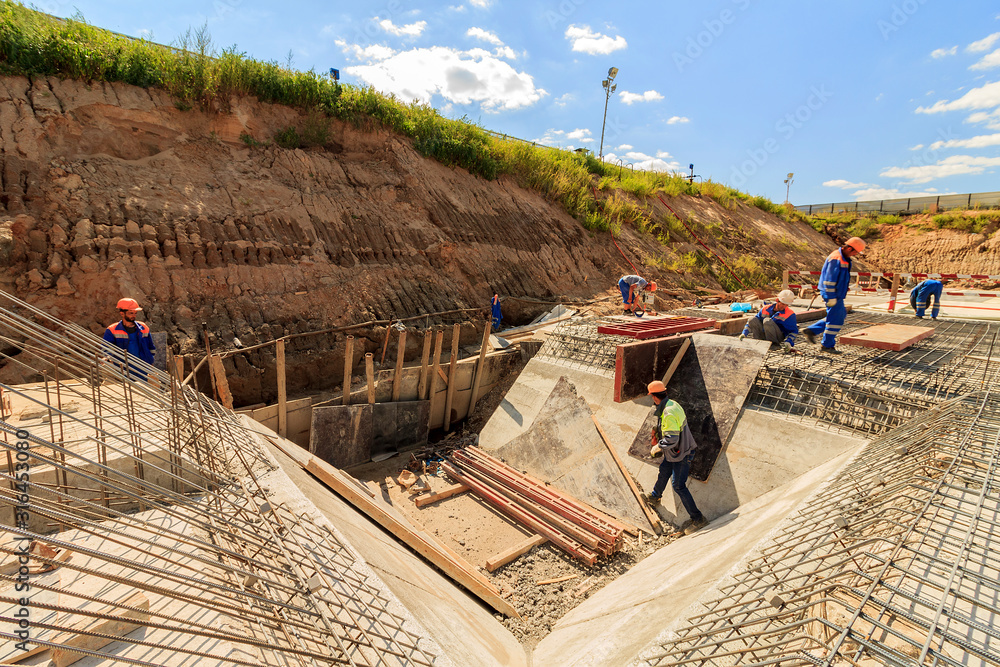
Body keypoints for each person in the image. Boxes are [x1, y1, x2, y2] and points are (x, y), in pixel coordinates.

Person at [642, 380, 709, 535]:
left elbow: (672, 438)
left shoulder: (668, 412)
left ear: (653, 396)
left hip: (681, 454)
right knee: (664, 470)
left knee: (678, 486)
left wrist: (658, 446)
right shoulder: (672, 404)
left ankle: (698, 519)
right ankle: (655, 497)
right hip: (675, 452)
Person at [803, 237, 866, 354]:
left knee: (839, 315)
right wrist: (830, 296)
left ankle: (811, 330)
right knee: (836, 320)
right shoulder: (836, 258)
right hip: (832, 293)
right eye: (855, 252)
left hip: (837, 293)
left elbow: (839, 278)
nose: (855, 255)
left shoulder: (843, 258)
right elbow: (829, 280)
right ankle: (827, 345)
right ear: (849, 248)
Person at [103, 297, 156, 378]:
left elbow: (151, 347)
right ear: (122, 313)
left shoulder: (143, 327)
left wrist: (150, 361)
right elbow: (106, 348)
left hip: (143, 368)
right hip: (124, 369)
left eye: (135, 313)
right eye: (131, 313)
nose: (134, 316)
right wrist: (108, 358)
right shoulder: (112, 330)